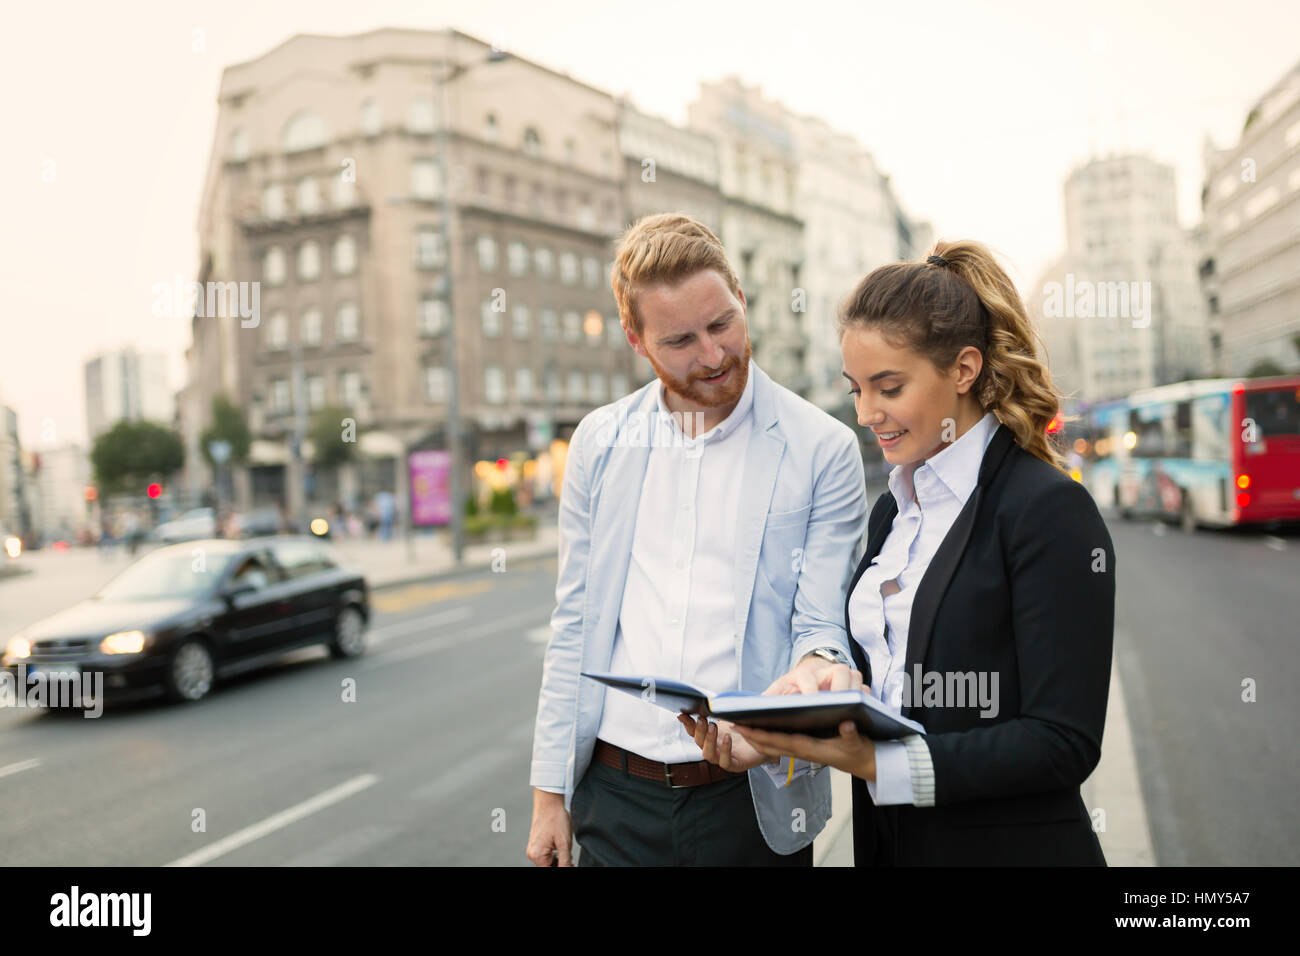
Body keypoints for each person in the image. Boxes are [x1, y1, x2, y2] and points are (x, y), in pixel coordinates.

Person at [684, 240, 1116, 866]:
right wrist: (781, 731)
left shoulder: (1046, 510)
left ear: (964, 370)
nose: (865, 413)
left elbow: (1063, 741)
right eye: (855, 389)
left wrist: (883, 764)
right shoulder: (894, 511)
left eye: (889, 387)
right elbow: (890, 697)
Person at [526, 213, 867, 867]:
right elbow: (575, 621)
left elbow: (820, 622)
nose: (712, 355)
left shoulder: (822, 448)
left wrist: (813, 672)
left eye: (722, 324)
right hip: (613, 795)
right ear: (637, 340)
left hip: (751, 800)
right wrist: (550, 795)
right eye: (681, 340)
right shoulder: (599, 443)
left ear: (740, 298)